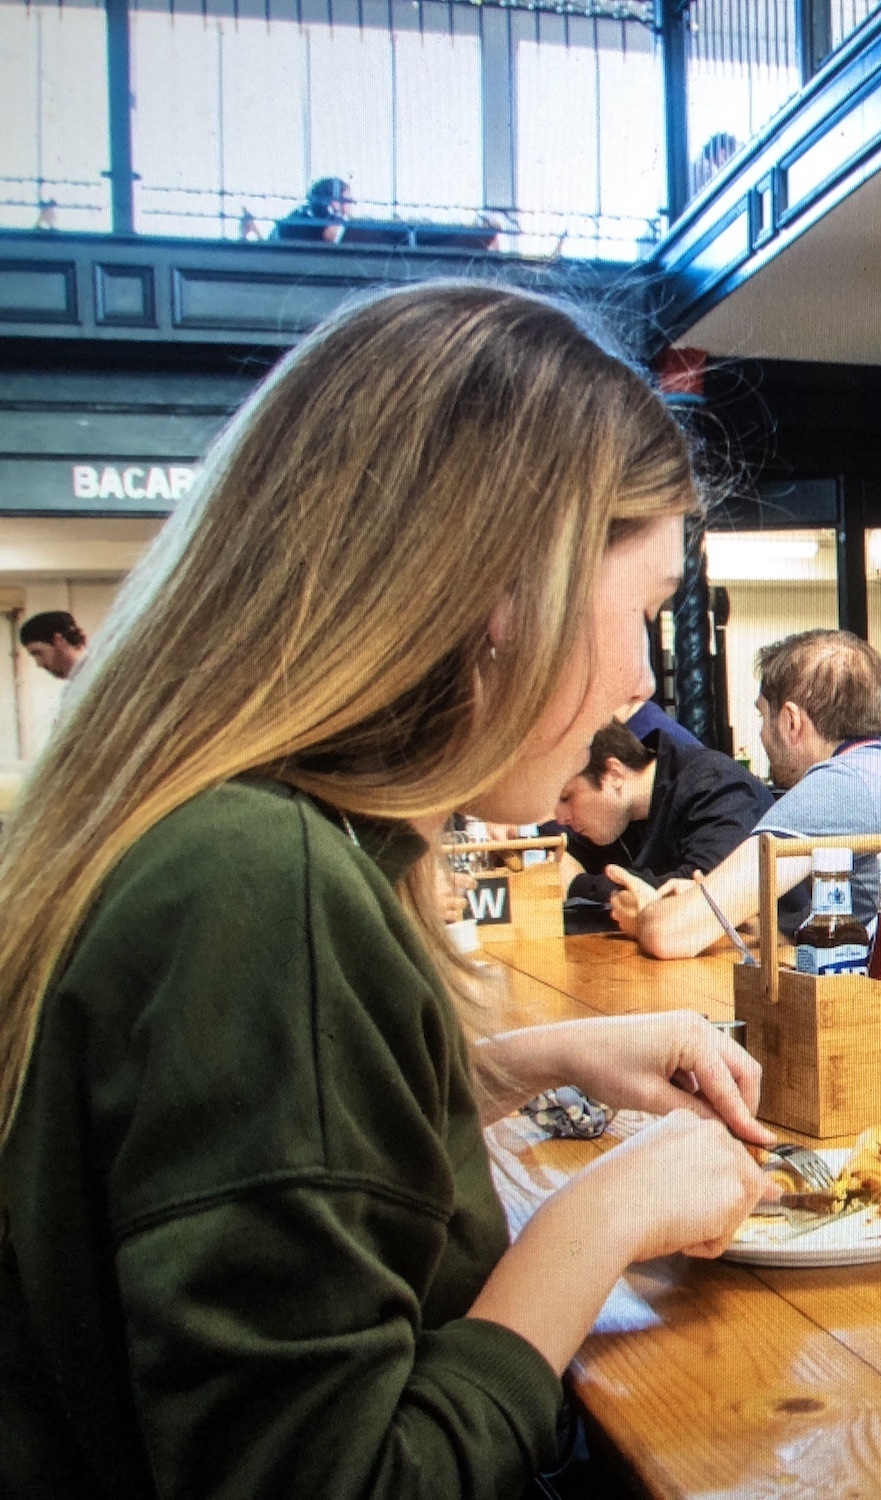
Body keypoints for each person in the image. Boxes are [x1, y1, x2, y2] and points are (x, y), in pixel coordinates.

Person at [0, 283, 781, 1496]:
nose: (641, 681)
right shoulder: (264, 884)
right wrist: (602, 1221)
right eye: (642, 611)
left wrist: (516, 1067)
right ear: (497, 595)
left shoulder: (208, 835)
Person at [614, 629, 881, 957]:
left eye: (762, 716)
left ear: (790, 721)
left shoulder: (836, 787)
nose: (762, 734)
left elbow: (670, 936)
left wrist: (649, 913)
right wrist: (730, 914)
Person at [554, 718, 771, 903]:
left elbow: (705, 892)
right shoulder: (616, 815)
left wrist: (578, 885)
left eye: (566, 797)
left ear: (614, 775)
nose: (560, 818)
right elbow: (568, 860)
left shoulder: (716, 787)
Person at [19, 610, 86, 681]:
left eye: (39, 653)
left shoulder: (91, 677)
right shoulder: (79, 681)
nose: (39, 664)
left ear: (59, 641)